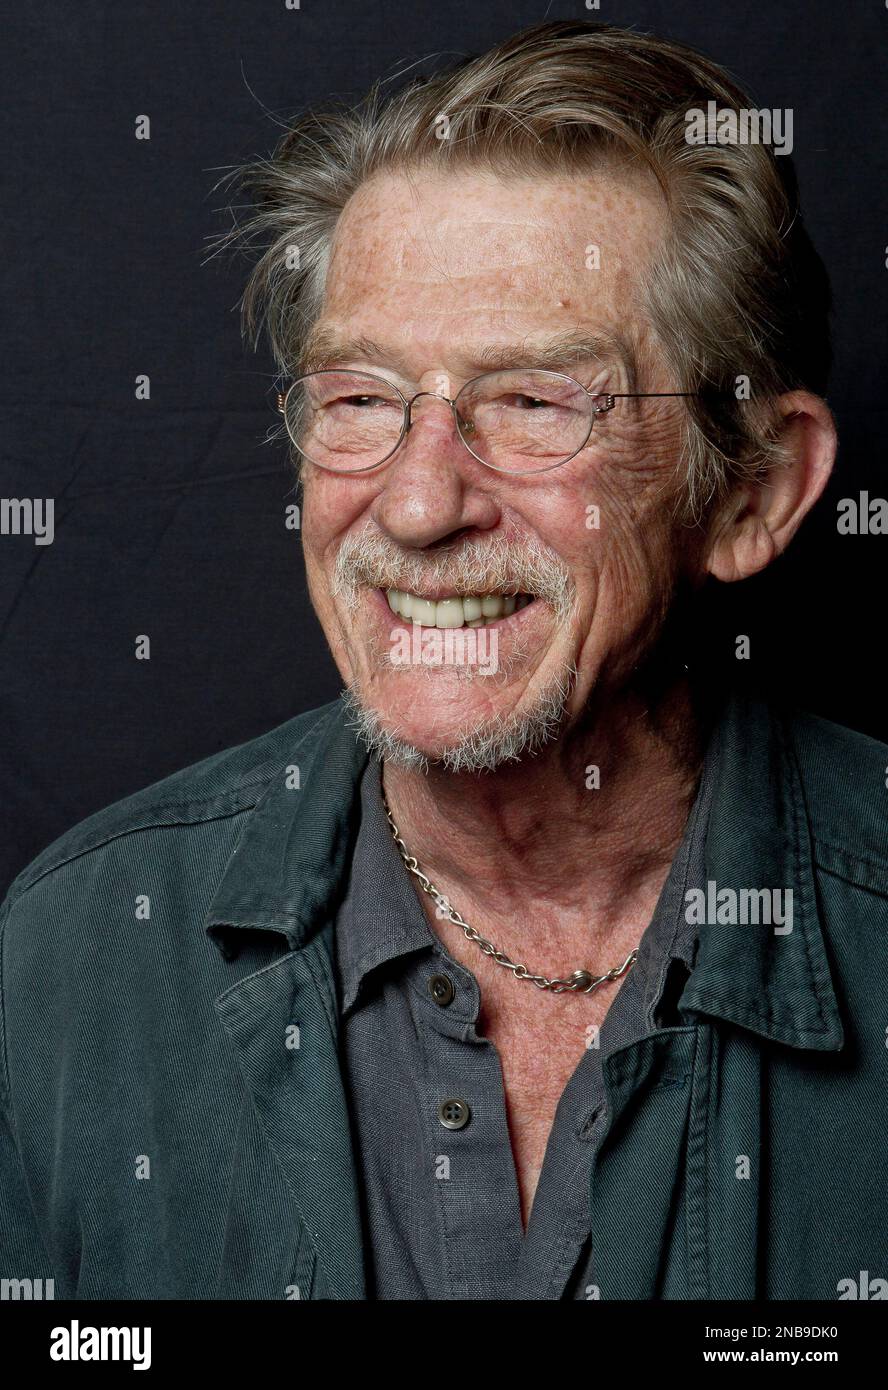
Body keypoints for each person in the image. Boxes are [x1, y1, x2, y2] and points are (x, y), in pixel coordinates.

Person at [2, 19, 886, 1302]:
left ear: (752, 491)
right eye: (360, 399)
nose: (417, 506)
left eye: (533, 402)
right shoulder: (71, 964)